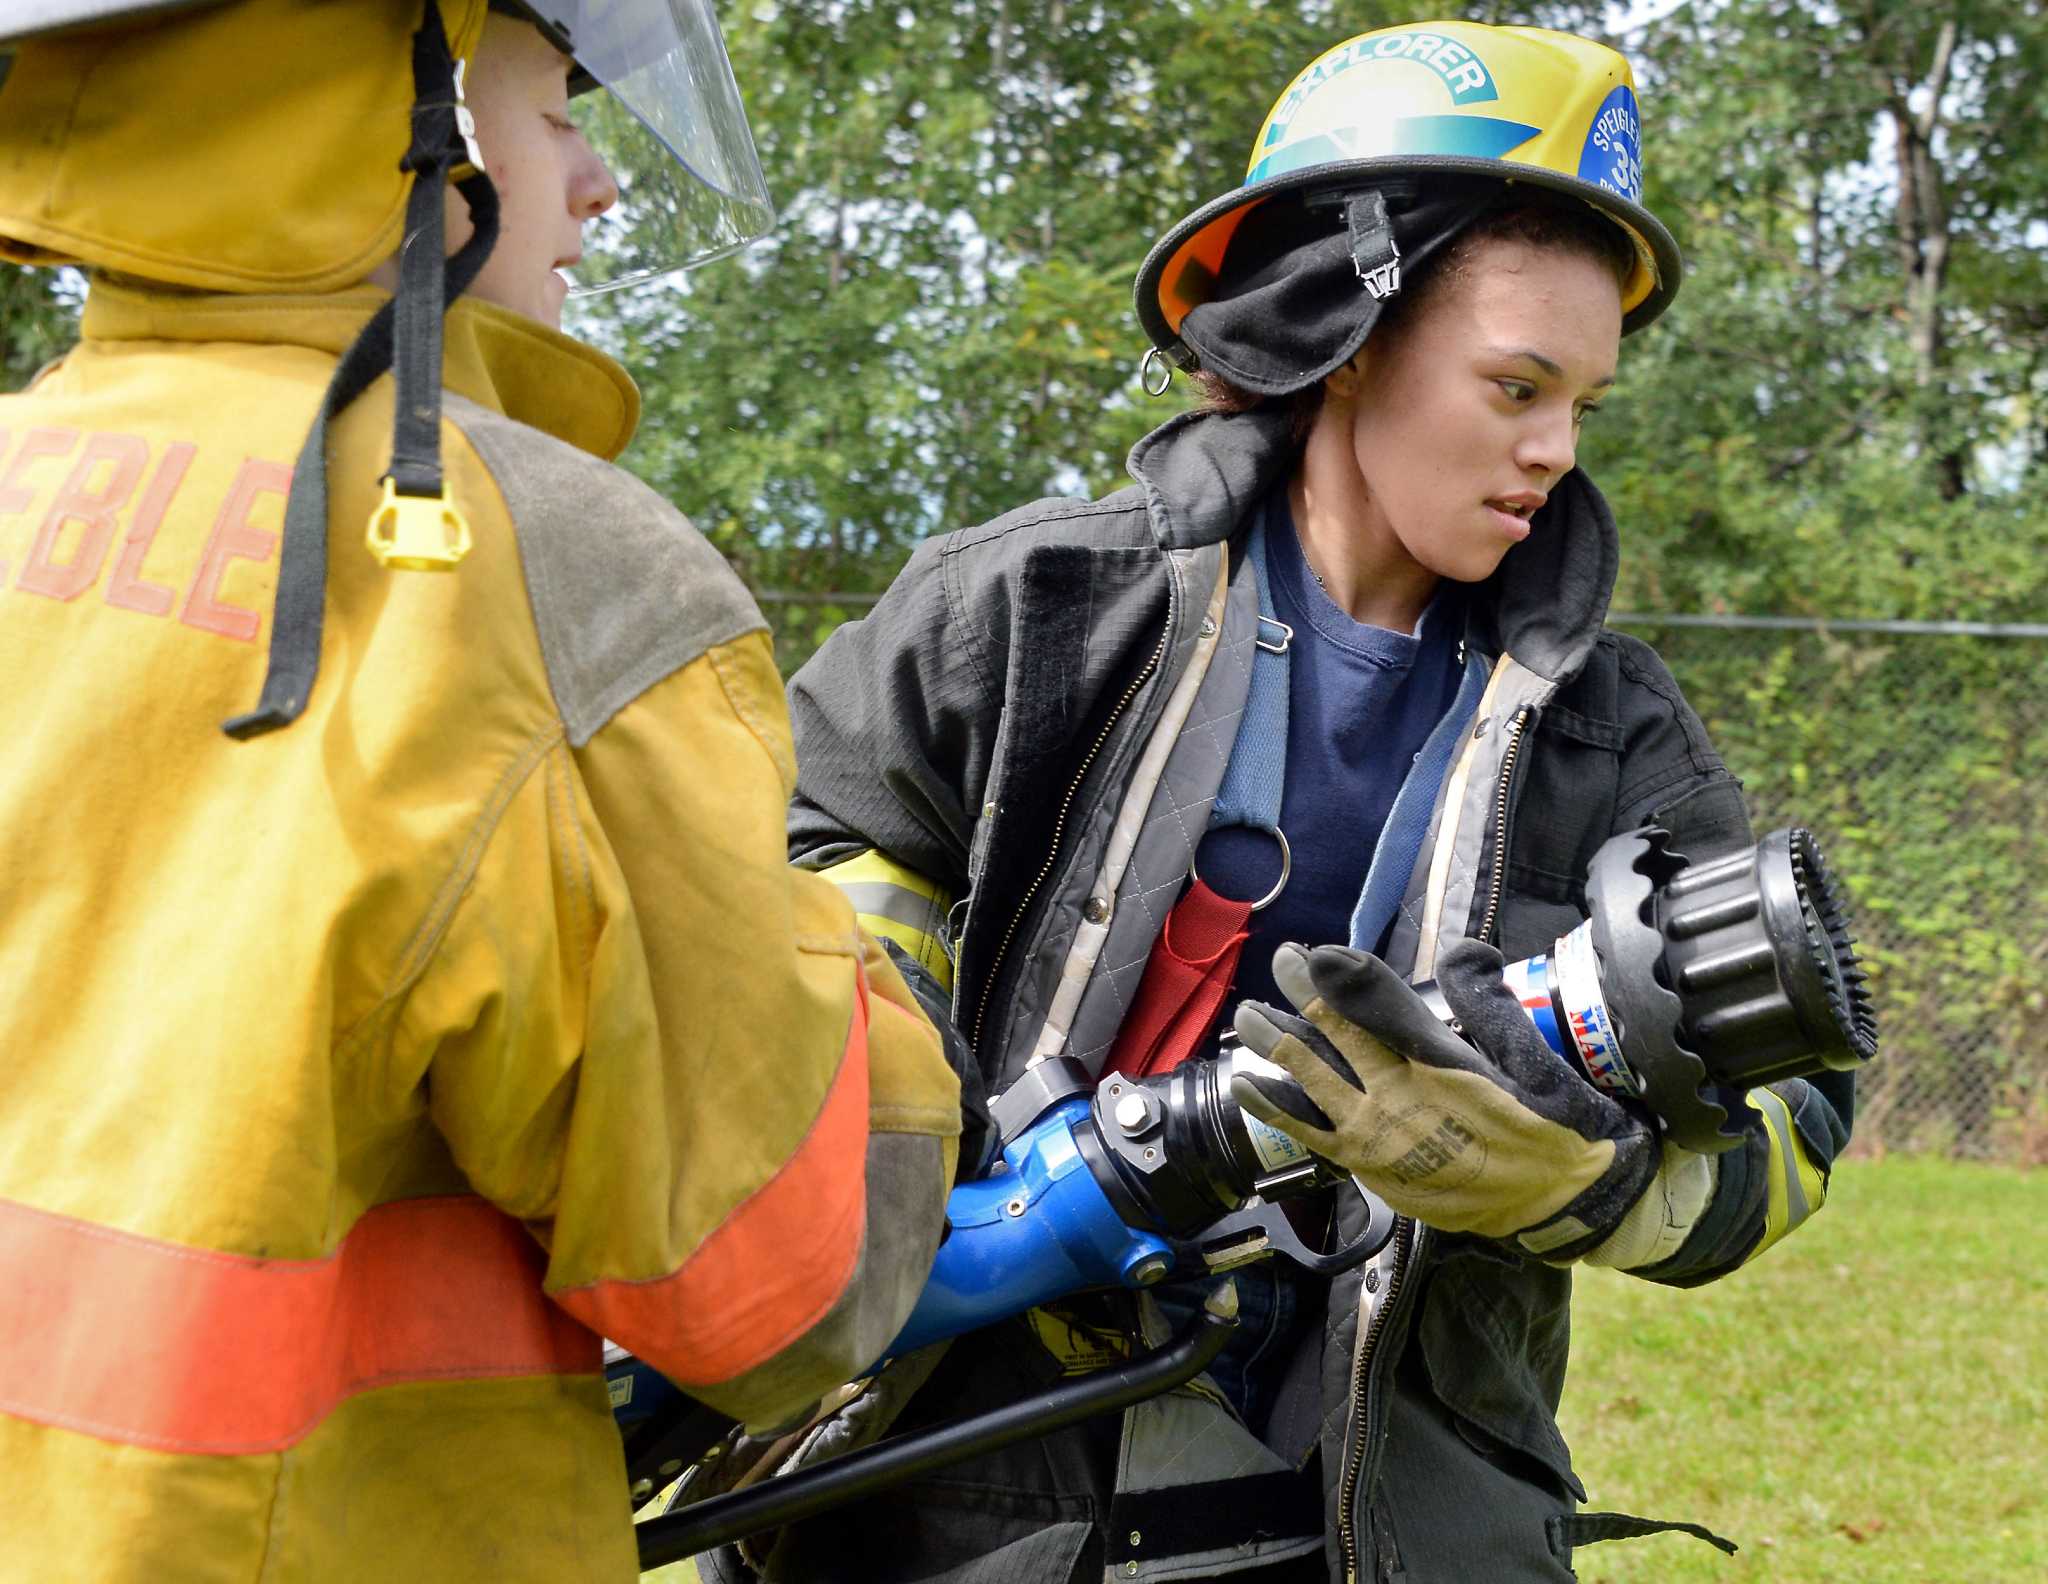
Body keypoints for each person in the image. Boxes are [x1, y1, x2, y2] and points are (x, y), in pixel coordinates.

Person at [731, 20, 1854, 1584]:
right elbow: (774, 886)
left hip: (1393, 1522)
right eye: (1516, 384)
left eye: (1583, 403)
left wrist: (1576, 1181)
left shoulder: (1614, 730)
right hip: (952, 1494)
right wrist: (939, 1112)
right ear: (1343, 332)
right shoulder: (1029, 612)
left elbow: (1798, 1126)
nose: (1554, 452)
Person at [0, 2, 961, 1579]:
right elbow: (763, 1281)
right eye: (560, 106)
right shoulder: (552, 569)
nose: (600, 183)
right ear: (417, 121)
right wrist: (888, 1023)